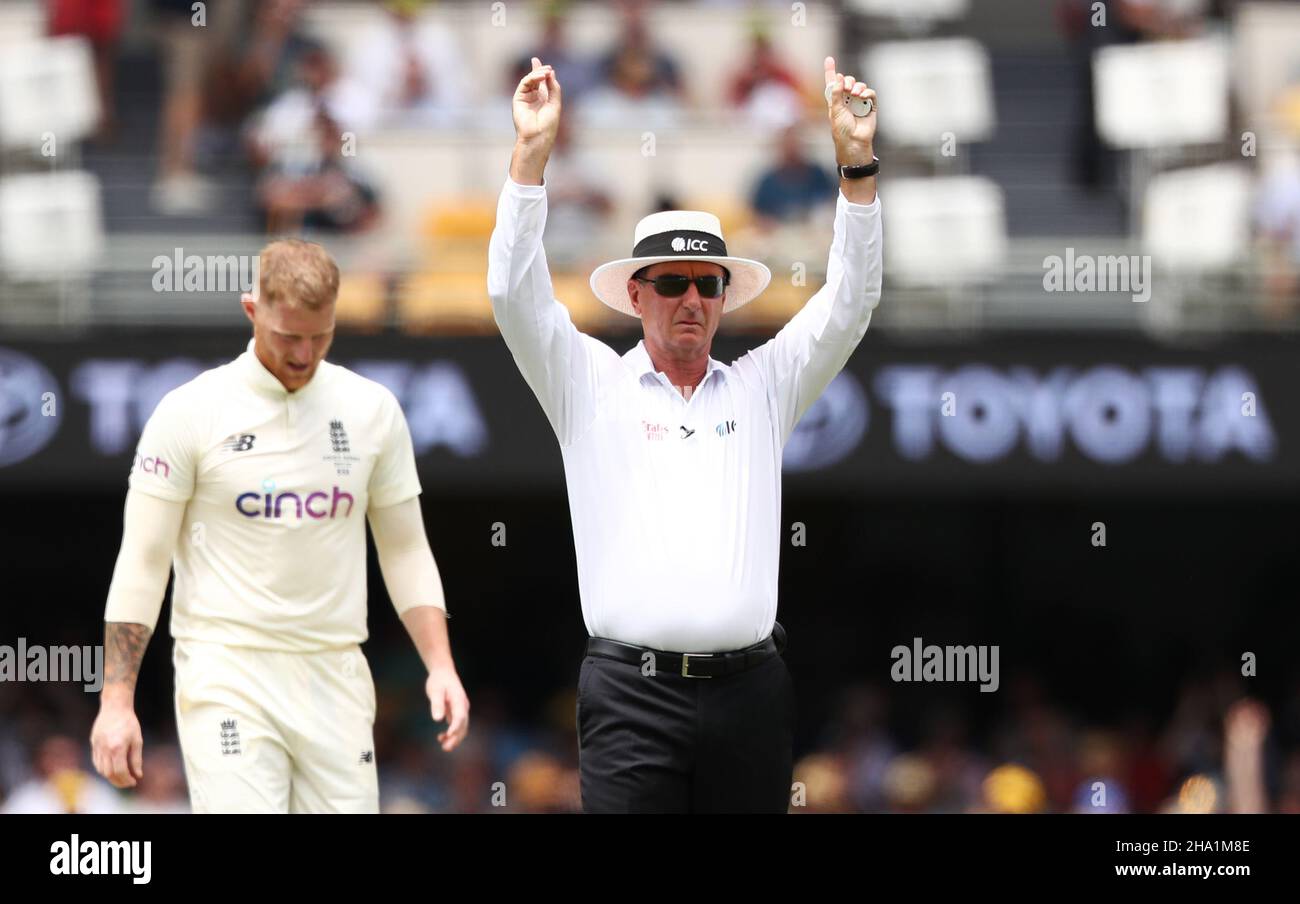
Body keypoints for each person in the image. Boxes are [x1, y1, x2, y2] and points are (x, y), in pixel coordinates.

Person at [488, 56, 882, 813]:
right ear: (636, 293)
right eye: (670, 283)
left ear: (725, 295)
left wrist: (856, 168)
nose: (691, 299)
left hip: (752, 695)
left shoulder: (763, 386)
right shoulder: (589, 384)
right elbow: (512, 293)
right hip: (630, 698)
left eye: (707, 284)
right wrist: (530, 158)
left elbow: (851, 302)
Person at [89, 239, 469, 813]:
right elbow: (143, 561)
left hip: (335, 673)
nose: (304, 353)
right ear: (252, 311)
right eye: (289, 336)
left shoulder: (372, 410)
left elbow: (406, 551)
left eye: (321, 336)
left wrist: (440, 665)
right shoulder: (189, 411)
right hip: (225, 669)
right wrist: (116, 700)